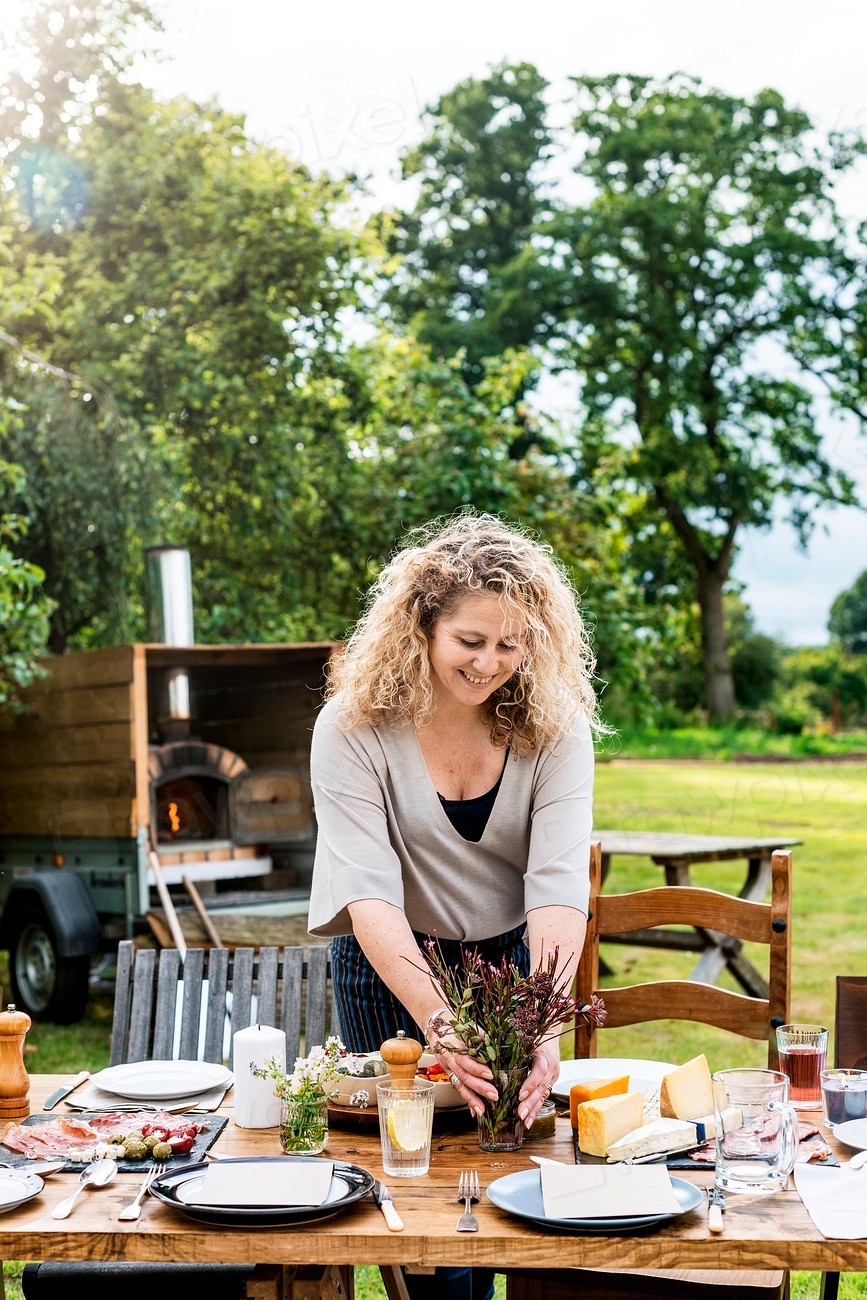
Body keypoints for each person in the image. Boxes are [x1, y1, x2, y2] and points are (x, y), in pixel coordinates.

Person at [308, 514, 597, 1300]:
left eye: (511, 644)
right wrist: (440, 1023)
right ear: (420, 625)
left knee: (515, 1180)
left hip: (509, 966)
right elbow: (367, 892)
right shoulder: (352, 727)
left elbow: (558, 887)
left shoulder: (557, 729)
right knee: (420, 1197)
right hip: (388, 967)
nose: (490, 663)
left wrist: (536, 1023)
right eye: (470, 640)